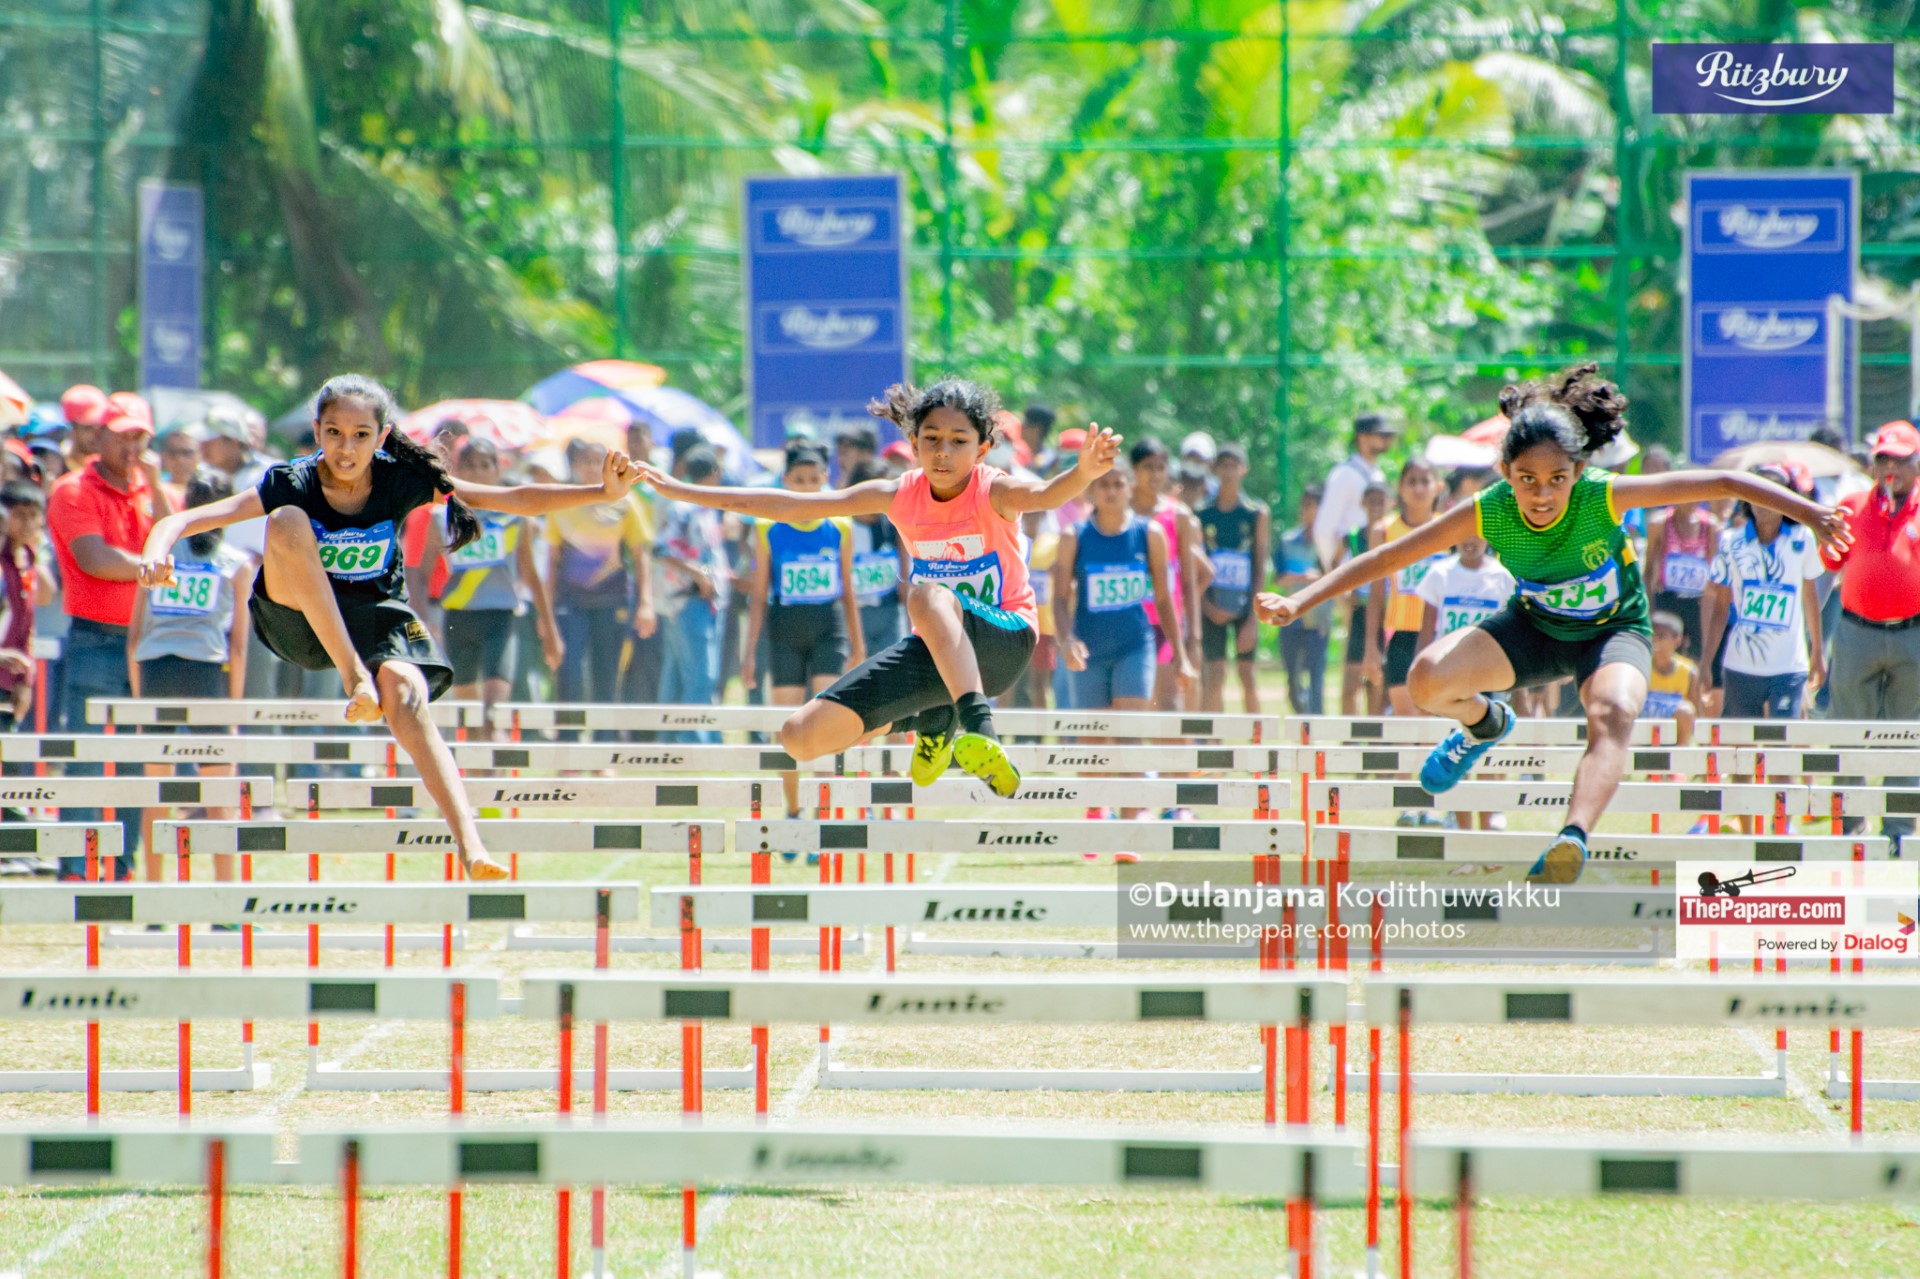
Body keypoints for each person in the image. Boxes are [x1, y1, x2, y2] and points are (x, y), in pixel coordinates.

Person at [1257, 363, 1848, 884]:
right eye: (1527, 480)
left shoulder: (1604, 496)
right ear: (1505, 473)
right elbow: (1389, 557)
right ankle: (1484, 722)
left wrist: (1813, 513)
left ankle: (1572, 837)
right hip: (1535, 629)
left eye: (1557, 479)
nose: (1541, 495)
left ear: (1578, 471)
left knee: (1613, 714)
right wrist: (1302, 599)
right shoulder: (1489, 511)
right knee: (1425, 679)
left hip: (1612, 632)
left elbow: (1722, 482)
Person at [135, 373, 643, 881]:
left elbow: (512, 499)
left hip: (375, 614)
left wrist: (601, 490)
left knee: (405, 694)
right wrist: (156, 552)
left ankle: (471, 845)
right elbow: (184, 521)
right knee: (286, 520)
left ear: (381, 437)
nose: (346, 448)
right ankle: (356, 676)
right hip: (297, 620)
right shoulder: (292, 481)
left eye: (360, 435)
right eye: (334, 433)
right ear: (317, 431)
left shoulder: (401, 478)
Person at [634, 378, 1121, 797]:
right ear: (913, 445)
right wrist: (683, 490)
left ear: (982, 448)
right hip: (938, 650)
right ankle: (932, 719)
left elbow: (1045, 495)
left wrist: (1084, 472)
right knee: (799, 737)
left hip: (1003, 642)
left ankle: (979, 730)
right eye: (931, 439)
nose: (943, 452)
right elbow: (789, 506)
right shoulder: (899, 494)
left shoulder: (994, 490)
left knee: (926, 594)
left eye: (958, 441)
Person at [45, 393, 171, 881]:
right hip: (95, 639)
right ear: (98, 436)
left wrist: (158, 487)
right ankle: (76, 866)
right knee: (88, 756)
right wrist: (151, 569)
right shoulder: (72, 490)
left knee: (139, 761)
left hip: (147, 641)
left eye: (141, 436)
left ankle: (119, 865)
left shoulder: (148, 489)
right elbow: (94, 559)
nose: (133, 446)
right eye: (123, 436)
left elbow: (173, 538)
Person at [127, 467, 252, 887]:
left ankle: (155, 893)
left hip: (156, 670)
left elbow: (135, 636)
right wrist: (233, 711)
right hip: (206, 676)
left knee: (155, 793)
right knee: (219, 793)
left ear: (184, 508)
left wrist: (139, 691)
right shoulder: (235, 565)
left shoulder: (157, 556)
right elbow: (237, 646)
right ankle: (224, 897)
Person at [742, 441, 865, 823]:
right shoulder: (768, 527)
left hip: (829, 627)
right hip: (785, 629)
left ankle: (824, 817)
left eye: (815, 480)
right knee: (789, 727)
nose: (808, 487)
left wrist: (858, 646)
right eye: (799, 480)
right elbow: (759, 595)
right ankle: (794, 809)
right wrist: (748, 654)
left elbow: (848, 590)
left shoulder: (840, 526)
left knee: (824, 725)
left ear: (826, 481)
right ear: (785, 482)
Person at [1816, 420, 1920, 851]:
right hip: (1857, 630)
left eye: (1899, 458)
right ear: (1873, 465)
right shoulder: (1851, 505)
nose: (1890, 467)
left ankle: (1899, 830)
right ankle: (1849, 826)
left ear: (1916, 463)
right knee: (1847, 730)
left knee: (1907, 732)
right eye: (1882, 459)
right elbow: (1829, 562)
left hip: (1912, 634)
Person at [415, 439, 562, 738]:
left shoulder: (514, 518)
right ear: (456, 470)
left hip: (501, 616)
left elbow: (531, 574)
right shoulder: (441, 517)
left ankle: (496, 776)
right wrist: (421, 619)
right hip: (459, 617)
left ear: (497, 469)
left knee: (494, 712)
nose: (478, 473)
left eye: (485, 465)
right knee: (470, 721)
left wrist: (550, 628)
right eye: (470, 466)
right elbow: (419, 573)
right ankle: (476, 779)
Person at [1700, 464, 1825, 722]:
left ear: (1787, 499)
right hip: (1741, 666)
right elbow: (1721, 606)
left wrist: (1817, 654)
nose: (1762, 500)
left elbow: (1810, 598)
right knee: (1738, 750)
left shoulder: (1802, 538)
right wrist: (1706, 662)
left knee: (1783, 745)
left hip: (1790, 666)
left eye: (1772, 492)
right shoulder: (1730, 542)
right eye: (1756, 491)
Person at [1413, 525, 1517, 831]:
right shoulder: (1439, 574)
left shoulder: (1502, 577)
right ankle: (1461, 825)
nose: (1470, 540)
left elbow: (1513, 629)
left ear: (1488, 537)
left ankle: (1489, 821)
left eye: (1477, 534)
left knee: (1488, 746)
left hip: (1490, 674)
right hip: (1450, 674)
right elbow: (1427, 629)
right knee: (1457, 751)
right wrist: (1419, 677)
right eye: (1463, 533)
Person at [546, 438, 653, 729]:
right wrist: (546, 614)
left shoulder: (627, 502)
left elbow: (640, 556)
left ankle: (604, 750)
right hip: (570, 602)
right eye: (587, 461)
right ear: (576, 465)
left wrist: (646, 603)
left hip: (612, 600)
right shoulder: (561, 501)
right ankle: (567, 748)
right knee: (568, 673)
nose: (593, 467)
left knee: (606, 675)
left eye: (599, 461)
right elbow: (552, 561)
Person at [654, 447, 730, 738]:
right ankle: (694, 742)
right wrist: (699, 574)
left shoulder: (706, 509)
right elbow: (661, 549)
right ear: (714, 474)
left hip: (704, 602)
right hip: (689, 600)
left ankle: (669, 739)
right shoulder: (684, 508)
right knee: (701, 674)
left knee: (676, 674)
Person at [1128, 438, 1205, 712]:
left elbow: (1190, 580)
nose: (1156, 474)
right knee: (1134, 705)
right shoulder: (1120, 512)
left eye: (1161, 467)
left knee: (1170, 703)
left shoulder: (1178, 514)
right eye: (1148, 467)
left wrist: (1193, 637)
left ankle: (1176, 755)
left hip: (1165, 622)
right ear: (1134, 470)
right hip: (1128, 619)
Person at [1197, 443, 1269, 714]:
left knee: (1247, 674)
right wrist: (1206, 606)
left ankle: (1256, 741)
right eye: (1223, 465)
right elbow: (1194, 567)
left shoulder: (1255, 512)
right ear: (1215, 469)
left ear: (1244, 470)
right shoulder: (1202, 513)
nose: (1228, 472)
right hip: (1212, 605)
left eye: (1234, 466)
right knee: (1213, 675)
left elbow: (1260, 566)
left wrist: (1253, 617)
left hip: (1244, 605)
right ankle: (1212, 745)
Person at [1372, 457, 1445, 718]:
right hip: (1401, 633)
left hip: (1441, 633)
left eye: (1425, 481)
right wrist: (1371, 644)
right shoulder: (1385, 530)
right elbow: (1376, 592)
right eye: (1411, 481)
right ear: (1400, 488)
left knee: (1433, 723)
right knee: (1405, 721)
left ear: (1437, 486)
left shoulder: (1449, 527)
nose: (1418, 488)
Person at [1312, 410, 1398, 576]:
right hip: (1349, 568)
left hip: (1375, 565)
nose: (1387, 440)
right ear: (1362, 437)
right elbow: (1324, 530)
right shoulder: (1344, 474)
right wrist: (1333, 574)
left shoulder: (1377, 473)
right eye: (1381, 435)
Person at [1274, 483, 1331, 715]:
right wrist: (1302, 578)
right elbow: (1278, 578)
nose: (1305, 510)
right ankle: (1301, 719)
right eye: (1304, 504)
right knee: (1292, 679)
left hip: (1318, 620)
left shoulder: (1330, 543)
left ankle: (1316, 726)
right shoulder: (1287, 541)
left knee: (1317, 677)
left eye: (1311, 505)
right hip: (1290, 619)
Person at [1645, 497, 1720, 665]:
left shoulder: (1709, 525)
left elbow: (1713, 577)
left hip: (1696, 603)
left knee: (1694, 659)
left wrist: (1708, 619)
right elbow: (1648, 570)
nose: (1691, 501)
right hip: (1668, 598)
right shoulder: (1660, 522)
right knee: (1662, 655)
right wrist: (1648, 612)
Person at [1339, 482, 1391, 716]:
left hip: (1389, 614)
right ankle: (1348, 738)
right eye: (1372, 501)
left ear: (1391, 503)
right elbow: (1334, 565)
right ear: (1363, 504)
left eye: (1381, 501)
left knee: (1378, 682)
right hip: (1361, 611)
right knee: (1351, 681)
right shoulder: (1353, 537)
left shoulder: (1395, 534)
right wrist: (1344, 592)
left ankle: (1374, 739)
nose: (1377, 506)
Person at [1642, 611, 1700, 747]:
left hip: (1673, 732)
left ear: (1677, 639)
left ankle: (1679, 759)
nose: (1655, 640)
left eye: (1661, 636)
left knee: (1686, 710)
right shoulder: (1641, 665)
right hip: (1643, 727)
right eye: (1652, 635)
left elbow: (1695, 709)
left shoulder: (1689, 671)